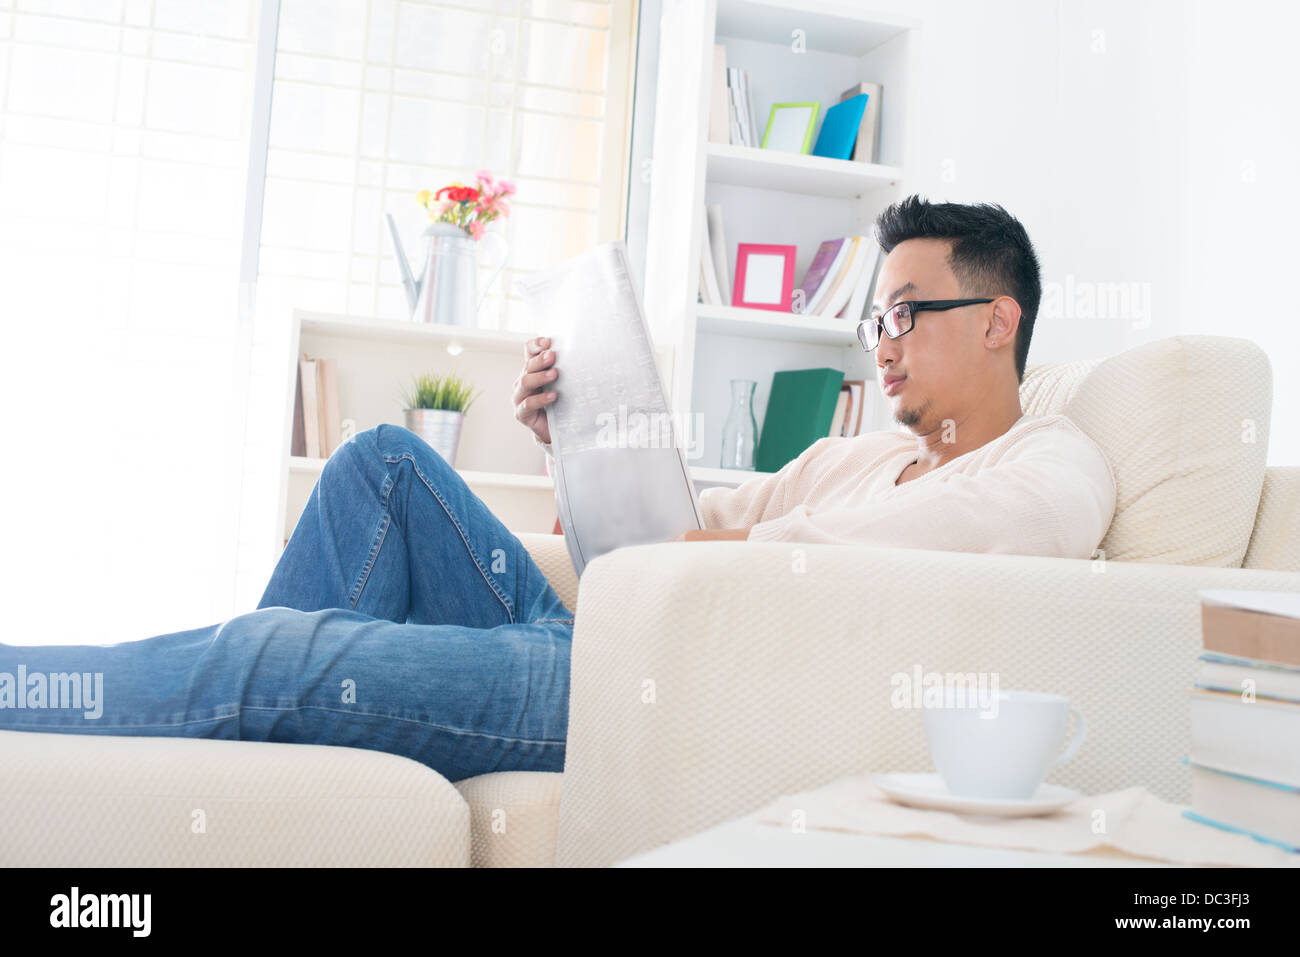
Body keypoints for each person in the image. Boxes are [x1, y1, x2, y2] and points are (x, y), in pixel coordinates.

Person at [0, 195, 1115, 781]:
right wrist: (574, 440)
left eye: (903, 312)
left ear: (997, 320)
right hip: (601, 640)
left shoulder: (1049, 466)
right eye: (875, 316)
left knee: (269, 657)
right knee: (377, 466)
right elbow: (677, 531)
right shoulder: (855, 457)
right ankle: (274, 780)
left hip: (662, 700)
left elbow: (813, 561)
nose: (880, 342)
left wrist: (679, 550)